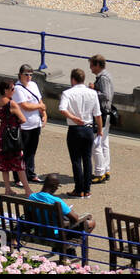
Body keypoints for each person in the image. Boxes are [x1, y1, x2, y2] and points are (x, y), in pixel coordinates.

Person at [26, 174, 94, 257]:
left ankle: (60, 248)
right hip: (55, 233)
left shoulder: (31, 197)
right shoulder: (57, 201)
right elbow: (75, 218)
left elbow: (28, 217)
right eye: (57, 186)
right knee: (90, 223)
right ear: (54, 186)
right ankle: (70, 247)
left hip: (39, 231)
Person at [59, 68, 102, 199]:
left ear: (73, 79)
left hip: (75, 129)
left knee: (76, 160)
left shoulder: (67, 93)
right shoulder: (92, 93)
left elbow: (62, 109)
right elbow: (97, 114)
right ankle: (87, 189)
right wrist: (99, 130)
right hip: (88, 128)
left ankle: (78, 189)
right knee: (87, 159)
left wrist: (73, 117)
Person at [0, 80, 30, 195]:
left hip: (3, 133)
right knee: (18, 162)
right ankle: (27, 190)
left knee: (4, 163)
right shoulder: (11, 103)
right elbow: (23, 119)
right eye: (12, 89)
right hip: (13, 133)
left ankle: (7, 188)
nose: (14, 91)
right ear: (6, 90)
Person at [12, 64, 47, 183]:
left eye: (31, 75)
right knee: (21, 152)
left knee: (31, 151)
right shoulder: (17, 88)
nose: (28, 77)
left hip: (35, 123)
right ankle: (18, 178)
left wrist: (44, 114)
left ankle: (30, 173)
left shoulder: (33, 85)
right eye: (26, 74)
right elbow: (25, 105)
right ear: (20, 75)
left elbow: (39, 100)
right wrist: (40, 106)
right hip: (24, 125)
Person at [89, 55, 114, 184]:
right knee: (104, 143)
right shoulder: (106, 76)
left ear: (98, 65)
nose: (91, 68)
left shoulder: (103, 78)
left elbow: (106, 96)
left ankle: (100, 172)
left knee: (97, 143)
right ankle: (106, 169)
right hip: (107, 113)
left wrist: (93, 91)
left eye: (92, 65)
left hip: (103, 113)